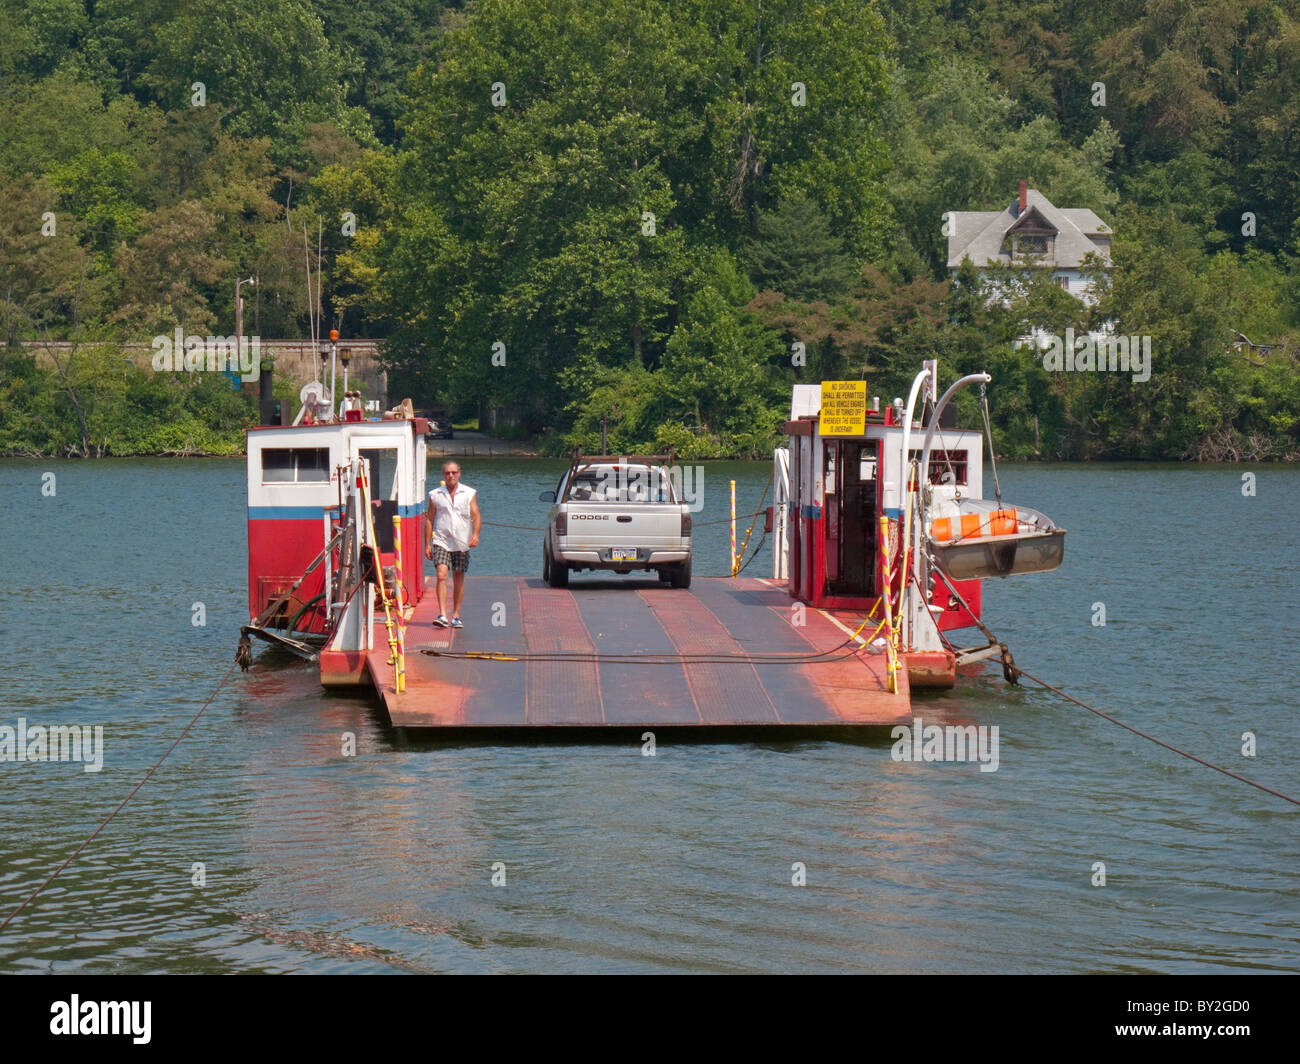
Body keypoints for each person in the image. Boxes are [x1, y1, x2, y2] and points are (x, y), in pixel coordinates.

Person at [423, 461, 481, 628]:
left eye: (454, 472)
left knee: (458, 578)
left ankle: (455, 615)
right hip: (441, 540)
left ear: (459, 473)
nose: (451, 476)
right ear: (443, 475)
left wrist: (475, 535)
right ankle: (442, 614)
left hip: (462, 541)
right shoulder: (435, 494)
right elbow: (429, 519)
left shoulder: (469, 493)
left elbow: (476, 515)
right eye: (448, 473)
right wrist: (427, 544)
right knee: (441, 575)